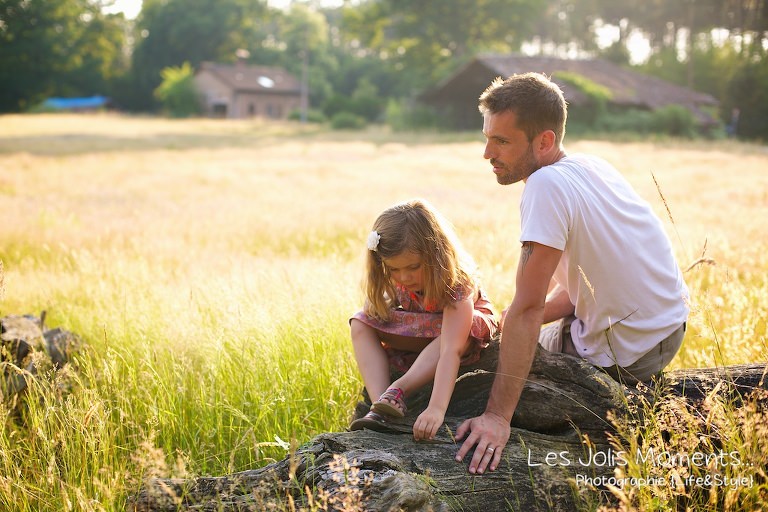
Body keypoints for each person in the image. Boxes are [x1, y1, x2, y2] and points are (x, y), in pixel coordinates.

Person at [454, 73, 689, 474]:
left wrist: (497, 417)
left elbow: (528, 308)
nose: (487, 153)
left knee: (488, 361)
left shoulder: (544, 186)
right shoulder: (590, 165)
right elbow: (595, 282)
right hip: (668, 329)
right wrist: (512, 320)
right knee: (510, 329)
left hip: (630, 352)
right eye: (487, 137)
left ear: (544, 141)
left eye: (502, 141)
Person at [348, 199, 498, 441]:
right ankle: (381, 407)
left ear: (435, 253)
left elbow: (452, 350)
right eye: (393, 269)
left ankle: (399, 389)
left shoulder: (456, 281)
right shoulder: (401, 278)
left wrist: (436, 409)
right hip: (425, 328)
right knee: (361, 322)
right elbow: (380, 311)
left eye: (413, 267)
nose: (403, 277)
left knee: (458, 332)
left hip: (457, 334)